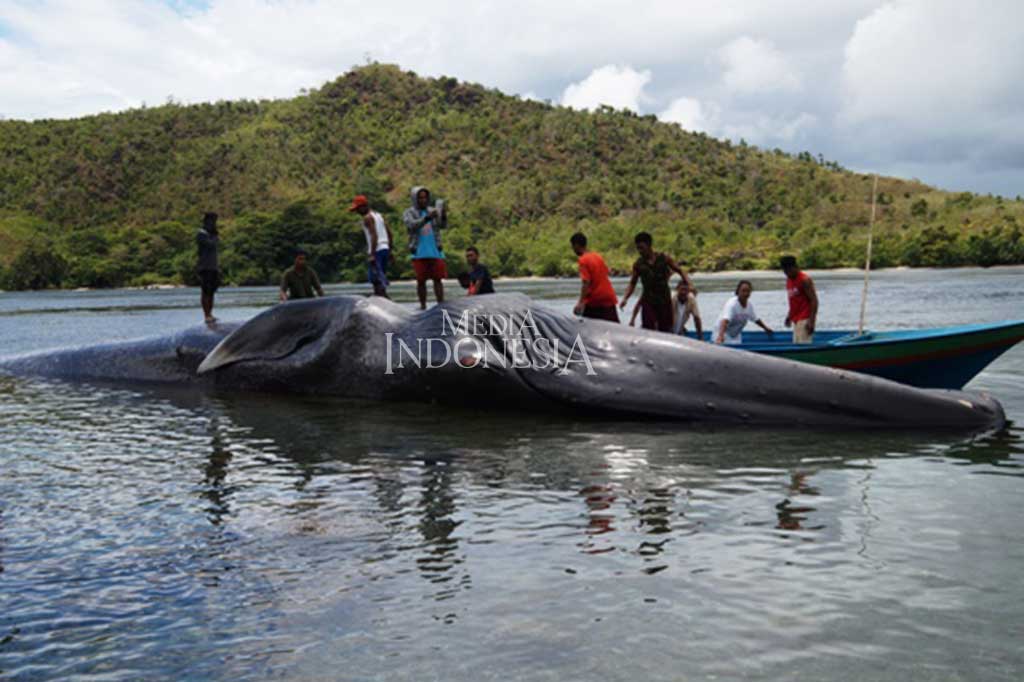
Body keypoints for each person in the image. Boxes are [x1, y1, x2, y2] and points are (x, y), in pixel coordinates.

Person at [618, 232, 693, 333]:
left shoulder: (664, 258)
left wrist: (688, 284)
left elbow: (679, 270)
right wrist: (625, 298)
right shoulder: (638, 265)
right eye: (638, 248)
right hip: (648, 301)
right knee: (649, 328)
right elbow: (632, 283)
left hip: (664, 300)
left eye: (642, 248)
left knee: (666, 329)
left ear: (649, 245)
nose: (640, 251)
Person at [402, 186, 446, 310]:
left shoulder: (432, 210)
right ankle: (423, 306)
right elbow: (411, 225)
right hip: (419, 250)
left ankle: (441, 305)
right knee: (421, 280)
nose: (423, 200)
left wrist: (443, 215)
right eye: (420, 198)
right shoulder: (408, 212)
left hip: (435, 249)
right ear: (414, 199)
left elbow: (442, 226)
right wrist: (427, 218)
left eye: (425, 197)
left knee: (438, 279)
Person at [350, 194, 393, 298]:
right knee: (380, 278)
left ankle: (383, 301)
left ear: (364, 206)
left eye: (358, 209)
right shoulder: (379, 216)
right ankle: (383, 299)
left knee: (376, 280)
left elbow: (374, 235)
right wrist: (390, 250)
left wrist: (372, 254)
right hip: (385, 249)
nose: (357, 212)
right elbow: (390, 233)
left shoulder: (367, 218)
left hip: (377, 250)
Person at [570, 232, 618, 321]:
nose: (572, 249)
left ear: (576, 245)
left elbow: (586, 282)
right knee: (615, 329)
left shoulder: (583, 260)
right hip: (609, 297)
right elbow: (605, 273)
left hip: (595, 300)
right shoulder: (597, 256)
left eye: (572, 246)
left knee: (586, 329)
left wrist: (580, 302)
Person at [715, 280, 773, 344]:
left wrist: (766, 328)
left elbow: (756, 319)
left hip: (735, 335)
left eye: (748, 291)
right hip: (722, 333)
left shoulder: (749, 306)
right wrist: (720, 337)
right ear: (738, 292)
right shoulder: (732, 304)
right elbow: (725, 321)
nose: (745, 293)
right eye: (743, 291)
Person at [780, 255, 818, 344]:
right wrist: (789, 316)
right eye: (784, 271)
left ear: (794, 267)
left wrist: (811, 321)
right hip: (796, 319)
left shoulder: (804, 280)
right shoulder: (789, 280)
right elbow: (794, 300)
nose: (786, 273)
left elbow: (814, 301)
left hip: (805, 318)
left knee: (803, 345)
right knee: (796, 344)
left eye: (788, 271)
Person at [196, 212, 220, 324]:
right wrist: (215, 236)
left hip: (213, 266)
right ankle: (206, 315)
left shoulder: (212, 234)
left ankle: (210, 313)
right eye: (212, 221)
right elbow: (211, 244)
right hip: (205, 267)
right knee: (205, 291)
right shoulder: (201, 234)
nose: (214, 223)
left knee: (212, 292)